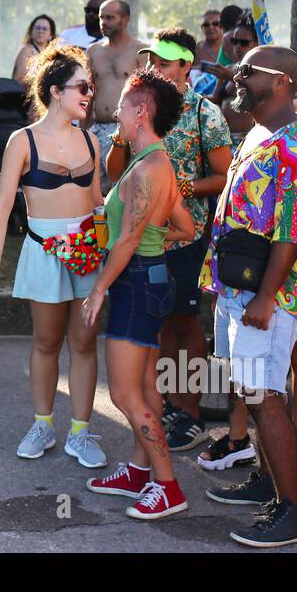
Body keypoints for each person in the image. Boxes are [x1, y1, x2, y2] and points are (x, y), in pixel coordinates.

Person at [200, 45, 297, 548]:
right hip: (239, 288)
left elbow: (294, 231)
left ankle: (295, 513)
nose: (238, 74)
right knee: (251, 394)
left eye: (249, 70)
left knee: (265, 395)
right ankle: (269, 483)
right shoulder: (258, 131)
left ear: (281, 83)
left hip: (268, 297)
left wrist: (265, 297)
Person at [0, 42, 106, 467]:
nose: (88, 93)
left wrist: (105, 252)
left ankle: (80, 432)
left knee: (83, 343)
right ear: (55, 91)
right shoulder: (21, 140)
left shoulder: (90, 141)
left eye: (90, 86)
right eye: (81, 86)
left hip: (86, 253)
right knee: (46, 342)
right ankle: (43, 424)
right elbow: (4, 204)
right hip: (44, 250)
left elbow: (98, 205)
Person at [210, 68, 297, 470]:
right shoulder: (264, 138)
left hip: (295, 277)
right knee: (251, 378)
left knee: (291, 364)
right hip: (254, 278)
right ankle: (244, 444)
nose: (292, 100)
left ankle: (293, 449)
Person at [109, 29, 232, 452]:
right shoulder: (140, 110)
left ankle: (190, 413)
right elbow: (115, 171)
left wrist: (180, 189)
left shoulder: (204, 114)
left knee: (184, 323)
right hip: (142, 237)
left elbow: (223, 177)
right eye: (151, 60)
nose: (154, 66)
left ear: (186, 66)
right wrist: (119, 136)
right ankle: (161, 405)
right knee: (154, 323)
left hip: (187, 237)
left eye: (163, 61)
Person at [82, 70, 195, 519]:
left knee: (127, 397)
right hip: (151, 279)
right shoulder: (155, 162)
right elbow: (186, 228)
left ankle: (167, 487)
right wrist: (154, 239)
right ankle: (137, 470)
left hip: (135, 284)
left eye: (124, 106)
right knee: (146, 387)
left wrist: (98, 288)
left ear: (142, 112)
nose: (116, 114)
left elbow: (126, 241)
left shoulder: (149, 168)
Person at [87, 0, 148, 190]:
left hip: (127, 130)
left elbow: (148, 94)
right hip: (97, 128)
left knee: (123, 189)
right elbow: (87, 93)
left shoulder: (141, 50)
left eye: (109, 17)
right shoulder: (94, 51)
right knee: (95, 191)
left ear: (125, 19)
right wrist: (83, 131)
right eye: (101, 17)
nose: (103, 22)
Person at [207, 19, 258, 148]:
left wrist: (230, 77)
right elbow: (215, 100)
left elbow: (257, 92)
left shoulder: (261, 71)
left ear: (257, 43)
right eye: (234, 42)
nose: (237, 47)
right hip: (224, 138)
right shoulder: (228, 68)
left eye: (244, 42)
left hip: (248, 139)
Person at [12, 14, 55, 84]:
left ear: (51, 35)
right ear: (31, 32)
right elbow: (17, 81)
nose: (40, 31)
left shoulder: (51, 53)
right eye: (37, 28)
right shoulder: (26, 50)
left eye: (45, 29)